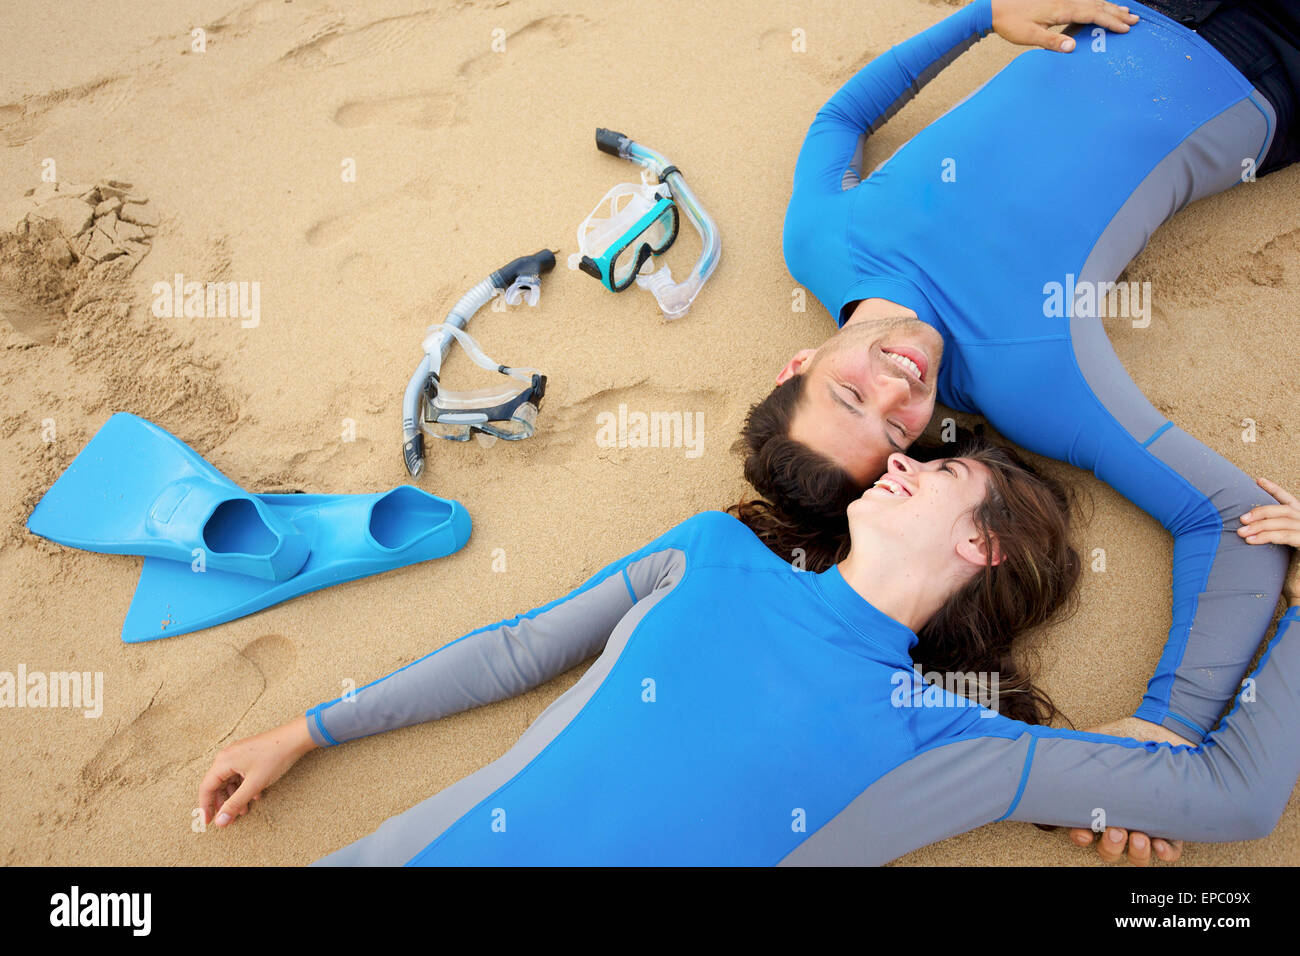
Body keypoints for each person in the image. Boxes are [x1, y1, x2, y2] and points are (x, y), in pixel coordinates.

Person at [747, 0, 1300, 859]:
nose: (898, 388)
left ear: (796, 365)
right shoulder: (1032, 375)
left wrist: (982, 16)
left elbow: (841, 118)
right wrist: (1171, 723)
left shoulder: (819, 243)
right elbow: (1226, 517)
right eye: (899, 430)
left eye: (848, 395)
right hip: (1272, 66)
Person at [197, 439, 1300, 866]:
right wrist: (306, 727)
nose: (905, 462)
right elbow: (514, 649)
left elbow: (1235, 792)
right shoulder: (711, 552)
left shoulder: (950, 736)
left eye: (944, 472)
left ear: (981, 541)